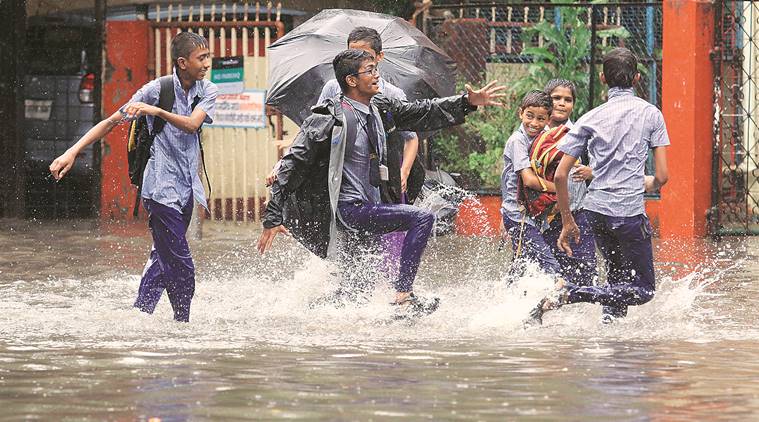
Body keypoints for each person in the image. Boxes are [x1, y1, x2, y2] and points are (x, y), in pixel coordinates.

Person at [257, 49, 505, 318]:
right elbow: (293, 163)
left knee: (358, 288)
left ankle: (314, 315)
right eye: (370, 71)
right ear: (352, 80)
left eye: (376, 69)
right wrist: (272, 217)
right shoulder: (329, 117)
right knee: (422, 218)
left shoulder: (380, 108)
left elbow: (422, 111)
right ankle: (404, 296)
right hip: (349, 209)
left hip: (370, 204)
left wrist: (467, 102)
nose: (377, 75)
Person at [49, 32, 218, 322]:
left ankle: (140, 316)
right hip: (160, 188)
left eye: (207, 56)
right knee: (181, 263)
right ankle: (183, 327)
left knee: (163, 257)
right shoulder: (156, 89)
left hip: (188, 187)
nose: (207, 63)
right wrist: (72, 152)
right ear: (182, 62)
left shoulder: (208, 91)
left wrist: (155, 111)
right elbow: (111, 121)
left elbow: (192, 125)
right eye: (201, 58)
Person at [526, 47, 670, 325]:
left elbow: (560, 176)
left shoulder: (590, 118)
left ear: (603, 79)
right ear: (637, 78)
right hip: (629, 215)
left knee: (616, 276)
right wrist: (641, 182)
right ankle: (571, 294)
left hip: (596, 214)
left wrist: (568, 221)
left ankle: (610, 336)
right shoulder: (652, 114)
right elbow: (662, 177)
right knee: (644, 290)